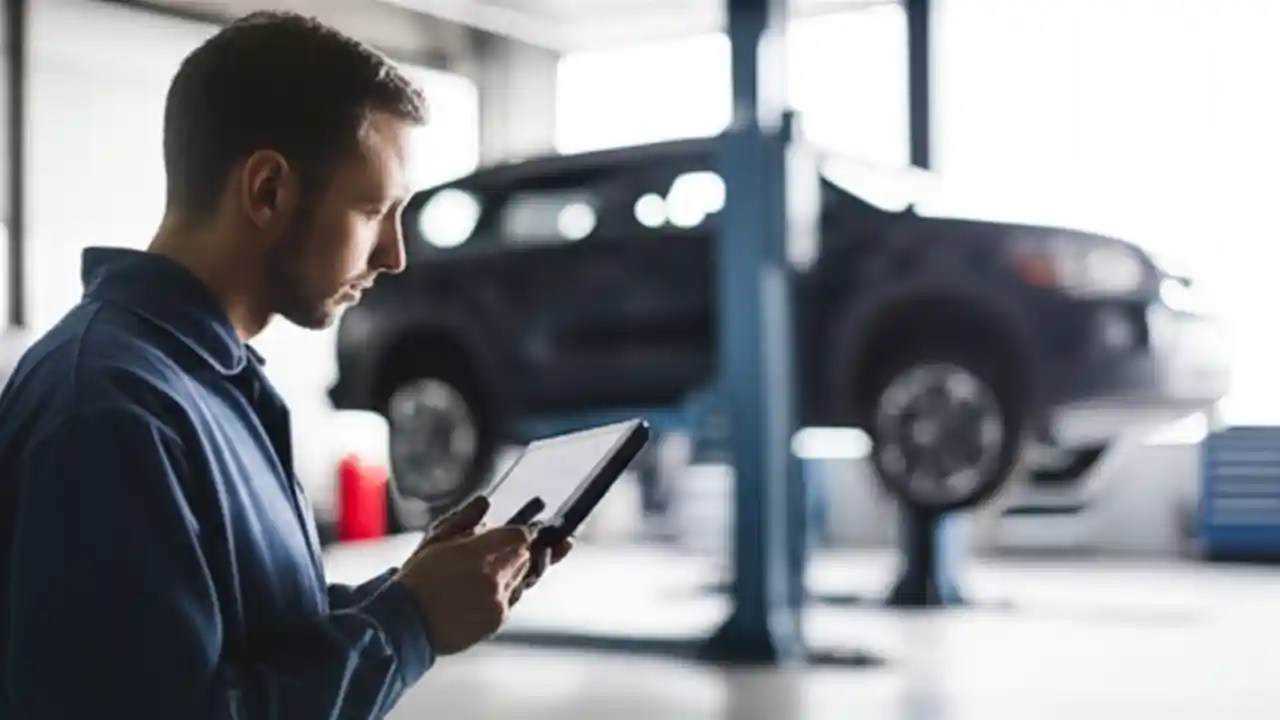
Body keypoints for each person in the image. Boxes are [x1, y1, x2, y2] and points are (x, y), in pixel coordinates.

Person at [0, 12, 569, 718]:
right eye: (374, 210)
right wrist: (409, 625)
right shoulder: (113, 409)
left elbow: (250, 634)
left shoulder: (206, 381)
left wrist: (407, 594)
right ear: (267, 190)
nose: (395, 255)